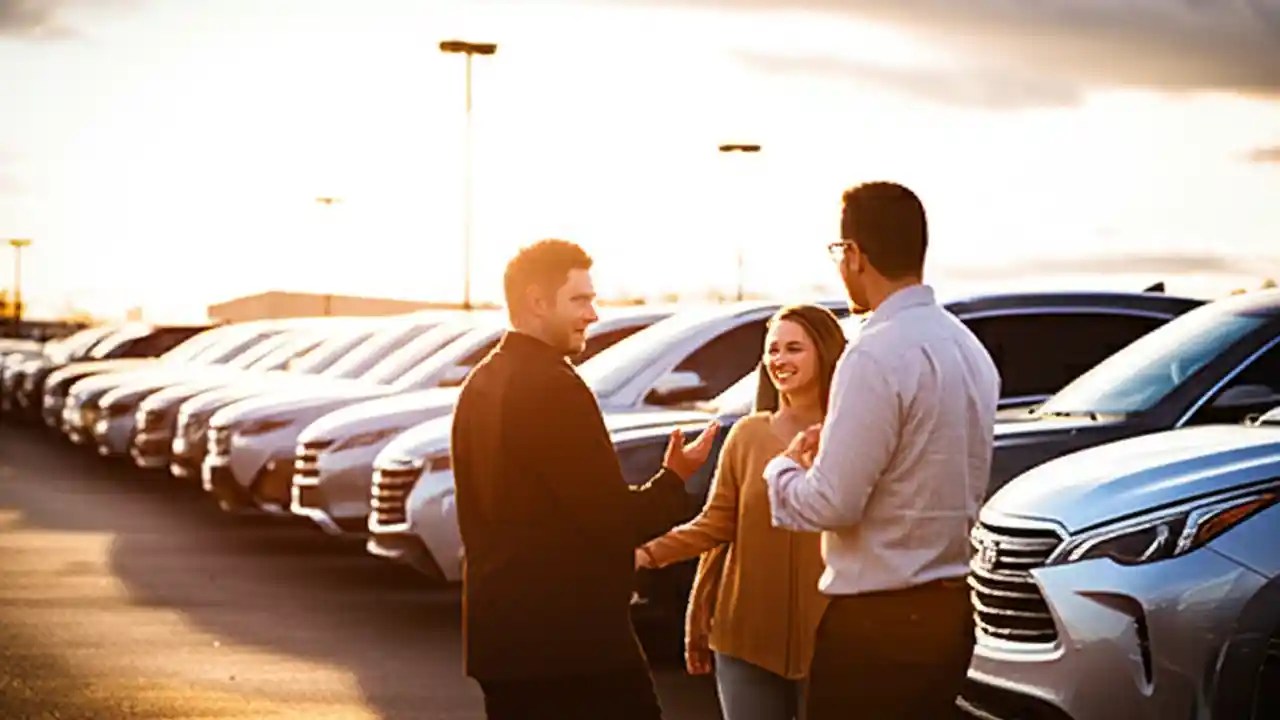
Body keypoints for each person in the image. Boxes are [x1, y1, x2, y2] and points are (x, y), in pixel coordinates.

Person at [451, 239, 720, 720]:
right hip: (573, 651)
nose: (592, 315)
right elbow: (611, 520)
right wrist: (674, 480)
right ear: (537, 302)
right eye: (579, 299)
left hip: (503, 645)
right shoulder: (553, 387)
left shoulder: (481, 383)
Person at [762, 182, 1001, 719]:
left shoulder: (873, 354)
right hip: (951, 615)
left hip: (877, 627)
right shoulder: (969, 348)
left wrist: (782, 469)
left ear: (854, 255)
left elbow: (831, 504)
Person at [635, 304, 847, 720]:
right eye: (772, 350)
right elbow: (716, 522)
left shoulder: (850, 434)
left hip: (831, 638)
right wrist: (644, 554)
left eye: (794, 349)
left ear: (825, 352)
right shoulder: (748, 435)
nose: (779, 360)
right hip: (744, 638)